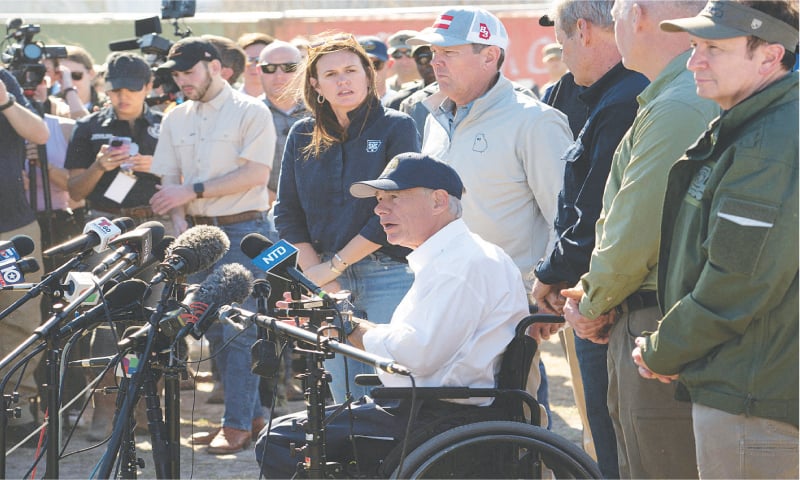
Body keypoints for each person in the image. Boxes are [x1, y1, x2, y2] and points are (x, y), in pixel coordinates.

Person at [258, 152, 530, 478]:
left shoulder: (462, 265)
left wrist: (345, 326)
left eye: (394, 197)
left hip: (443, 416)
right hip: (434, 408)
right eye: (378, 199)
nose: (379, 209)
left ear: (439, 201)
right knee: (287, 431)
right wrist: (337, 322)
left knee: (279, 440)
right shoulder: (458, 257)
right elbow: (413, 345)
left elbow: (412, 357)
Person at [632, 2, 799, 478]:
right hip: (752, 384)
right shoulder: (759, 125)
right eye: (694, 46)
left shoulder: (770, 144)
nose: (694, 62)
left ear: (768, 57)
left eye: (713, 48)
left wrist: (665, 348)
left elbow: (738, 282)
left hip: (754, 397)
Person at [560, 1, 718, 478]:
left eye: (619, 12)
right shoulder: (672, 96)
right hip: (653, 313)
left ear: (642, 14)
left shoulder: (678, 103)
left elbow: (637, 227)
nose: (613, 25)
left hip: (656, 319)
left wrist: (592, 303)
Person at [408, 8, 571, 402]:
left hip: (507, 305)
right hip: (441, 295)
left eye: (450, 51)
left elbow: (564, 217)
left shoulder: (535, 121)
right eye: (433, 51)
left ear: (490, 56)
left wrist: (547, 297)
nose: (436, 61)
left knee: (513, 428)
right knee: (452, 425)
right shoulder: (434, 117)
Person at [530, 1, 648, 477]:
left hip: (609, 299)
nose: (561, 54)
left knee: (615, 441)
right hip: (593, 291)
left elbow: (598, 209)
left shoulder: (625, 98)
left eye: (561, 43)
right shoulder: (591, 91)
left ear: (583, 30)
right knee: (604, 432)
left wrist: (551, 276)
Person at [273, 34, 419, 403]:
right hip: (325, 280)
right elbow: (287, 211)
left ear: (368, 76)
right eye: (332, 73)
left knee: (394, 392)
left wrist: (336, 265)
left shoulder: (396, 126)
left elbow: (393, 207)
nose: (343, 81)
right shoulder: (301, 133)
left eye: (352, 70)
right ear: (315, 84)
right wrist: (317, 275)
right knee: (345, 398)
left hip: (388, 274)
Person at [149, 37, 276, 454]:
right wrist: (180, 217)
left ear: (215, 67)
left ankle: (237, 425)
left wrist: (190, 192)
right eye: (177, 74)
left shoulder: (250, 111)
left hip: (243, 229)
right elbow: (168, 178)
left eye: (189, 72)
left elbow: (257, 174)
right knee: (213, 327)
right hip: (197, 235)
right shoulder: (175, 117)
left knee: (238, 329)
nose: (182, 80)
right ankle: (250, 418)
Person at [0, 66, 50, 444]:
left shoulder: (4, 80)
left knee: (20, 316)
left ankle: (19, 409)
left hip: (11, 229)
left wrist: (5, 100)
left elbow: (40, 133)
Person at [257, 40, 308, 205]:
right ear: (259, 71)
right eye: (269, 68)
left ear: (302, 70)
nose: (279, 76)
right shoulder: (247, 114)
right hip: (263, 212)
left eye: (289, 67)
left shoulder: (322, 111)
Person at [357, 36, 398, 105]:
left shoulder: (400, 102)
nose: (370, 69)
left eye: (375, 64)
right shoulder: (342, 103)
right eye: (363, 64)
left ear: (389, 64)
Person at [236, 32, 275, 98]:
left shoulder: (287, 102)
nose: (255, 66)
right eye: (248, 59)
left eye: (260, 60)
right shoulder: (227, 101)